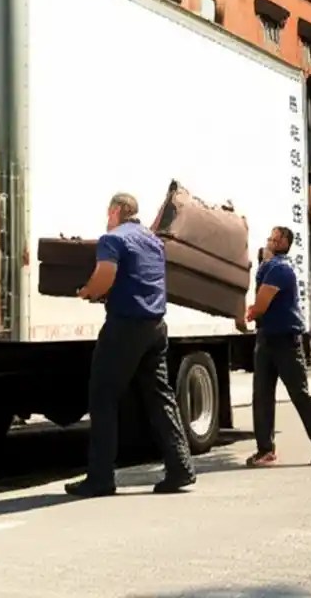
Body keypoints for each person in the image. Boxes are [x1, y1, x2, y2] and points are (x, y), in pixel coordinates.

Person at [64, 192, 198, 497]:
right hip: (155, 328)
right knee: (160, 396)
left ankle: (100, 478)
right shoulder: (153, 241)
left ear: (115, 211)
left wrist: (87, 291)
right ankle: (180, 469)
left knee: (103, 396)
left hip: (125, 327)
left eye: (108, 212)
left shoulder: (112, 240)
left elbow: (105, 277)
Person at [245, 226, 311, 467]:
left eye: (274, 237)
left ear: (283, 242)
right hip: (267, 338)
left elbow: (261, 306)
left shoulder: (279, 269)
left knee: (300, 395)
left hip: (286, 341)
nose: (269, 240)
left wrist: (244, 315)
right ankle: (265, 450)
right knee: (262, 396)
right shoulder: (270, 267)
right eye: (269, 236)